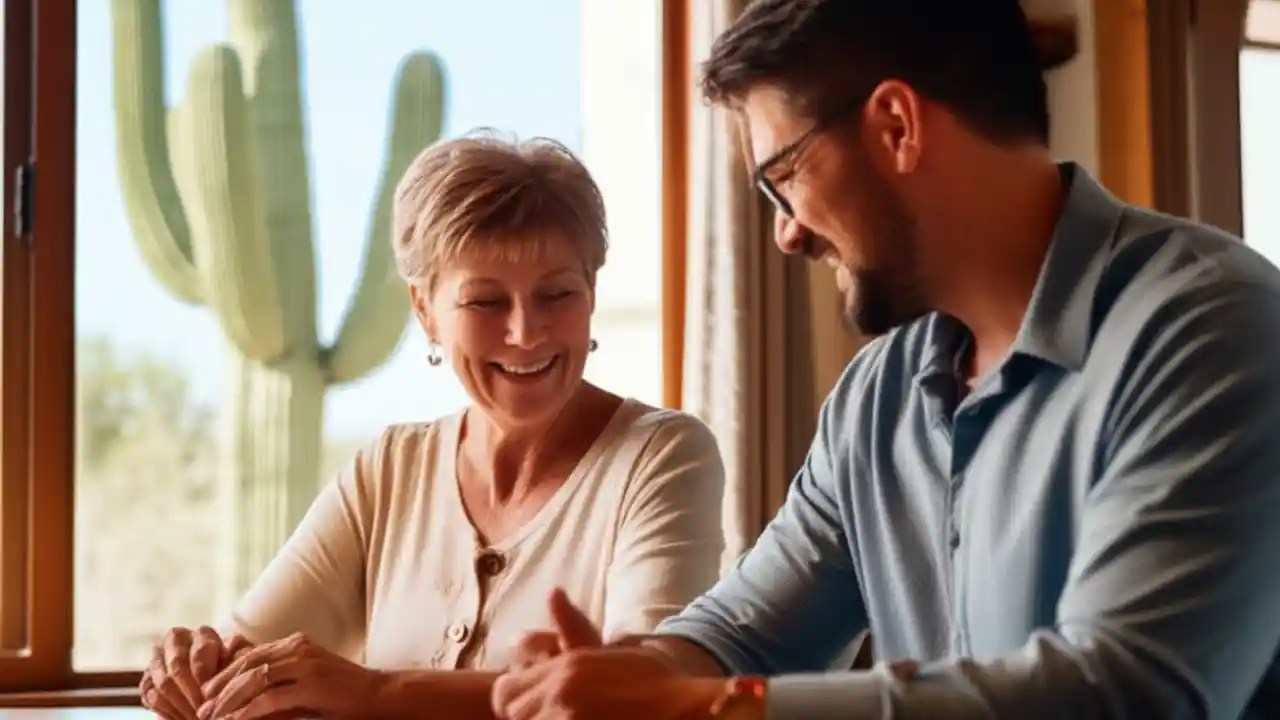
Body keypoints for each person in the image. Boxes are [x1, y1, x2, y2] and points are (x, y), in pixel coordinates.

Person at [489, 1, 1280, 718]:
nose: (787, 233)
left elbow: (1129, 691)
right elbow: (749, 631)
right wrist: (628, 673)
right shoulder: (878, 395)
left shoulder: (1213, 328)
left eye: (783, 179)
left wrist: (710, 709)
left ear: (897, 126)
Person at [137, 134, 726, 720]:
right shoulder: (389, 468)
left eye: (557, 294)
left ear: (591, 293)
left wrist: (374, 694)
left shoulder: (664, 454)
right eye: (486, 303)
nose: (526, 332)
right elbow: (251, 653)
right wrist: (198, 666)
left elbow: (646, 698)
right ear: (425, 311)